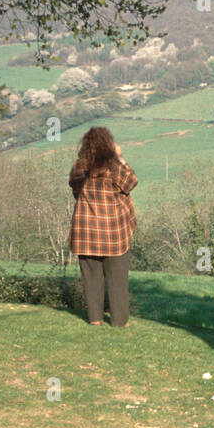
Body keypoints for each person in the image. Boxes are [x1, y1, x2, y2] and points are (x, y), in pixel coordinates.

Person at [68, 127, 138, 327]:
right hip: (114, 233)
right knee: (117, 280)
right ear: (109, 144)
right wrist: (120, 157)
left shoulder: (80, 166)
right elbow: (131, 182)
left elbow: (74, 187)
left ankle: (95, 320)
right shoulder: (114, 166)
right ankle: (119, 321)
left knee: (91, 279)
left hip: (86, 232)